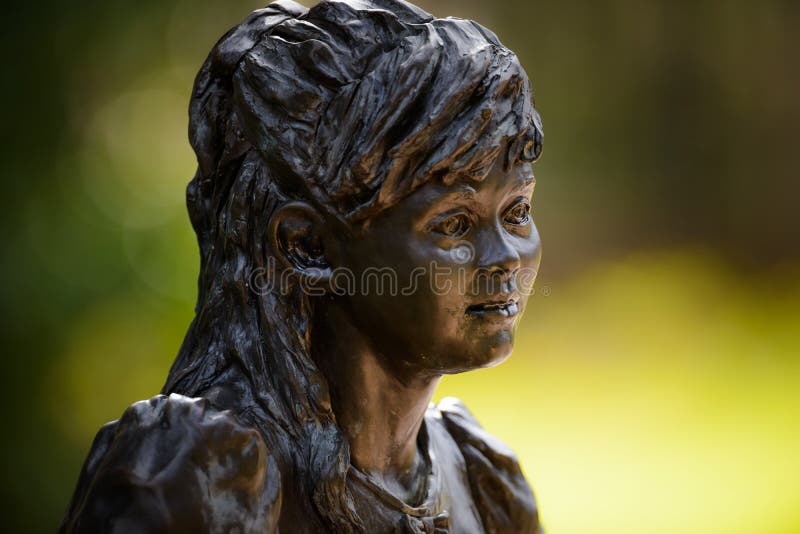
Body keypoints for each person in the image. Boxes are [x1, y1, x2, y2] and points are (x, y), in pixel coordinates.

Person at [60, 0, 545, 532]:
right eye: (453, 224)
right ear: (305, 245)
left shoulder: (484, 484)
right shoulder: (198, 479)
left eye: (517, 212)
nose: (505, 259)